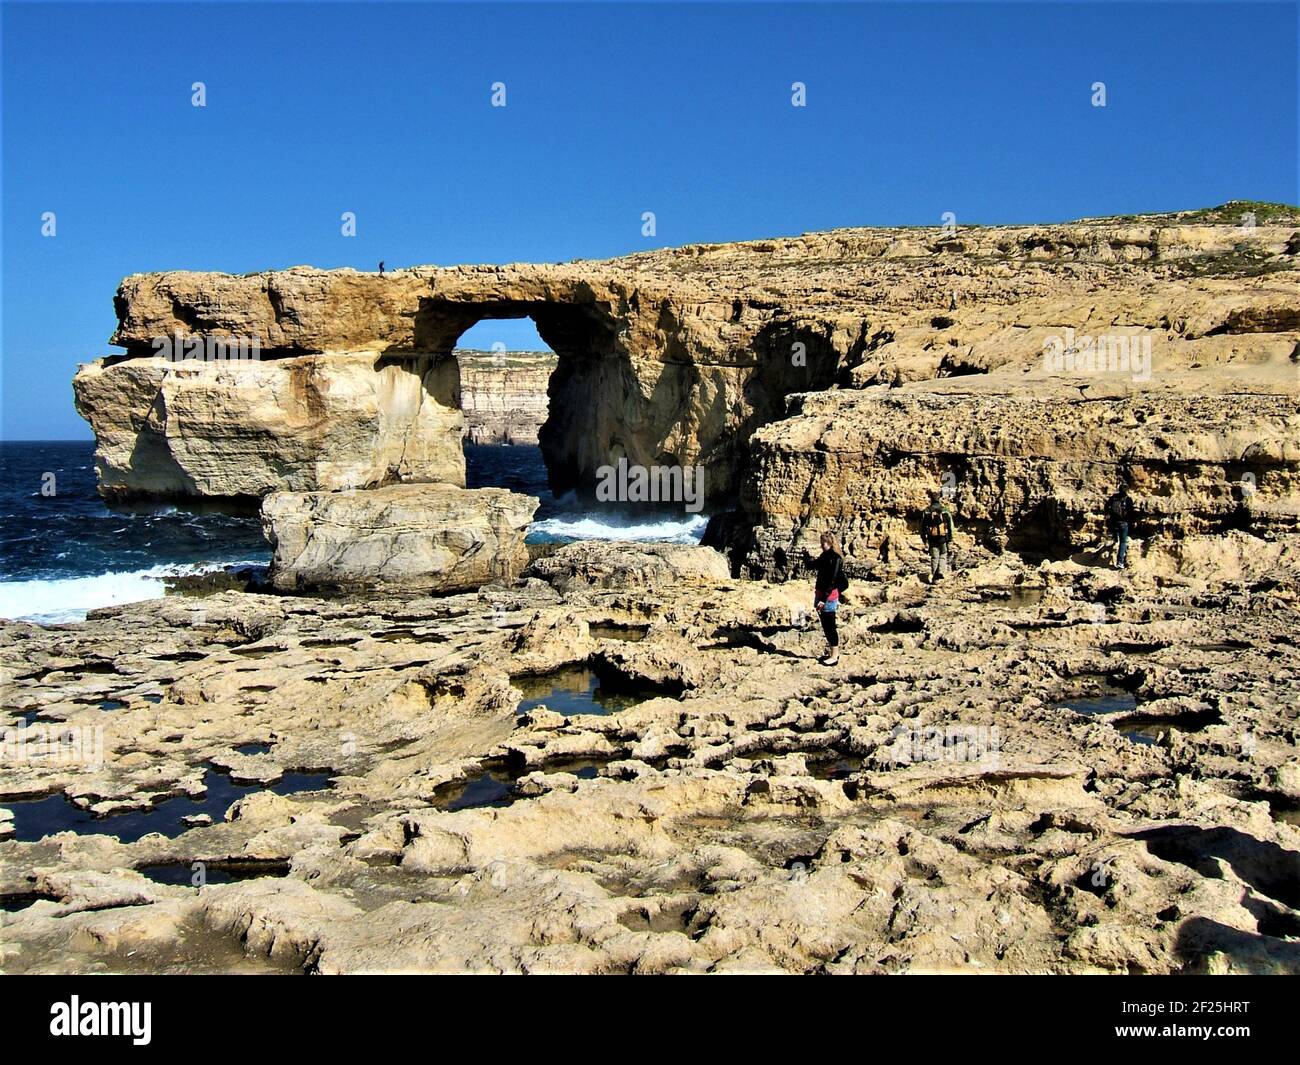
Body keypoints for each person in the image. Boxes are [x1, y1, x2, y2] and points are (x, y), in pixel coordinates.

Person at [812, 531, 849, 666]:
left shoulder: (836, 558)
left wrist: (824, 599)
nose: (822, 545)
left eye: (823, 543)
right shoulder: (825, 556)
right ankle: (832, 653)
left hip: (828, 596)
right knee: (826, 625)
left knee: (830, 626)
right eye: (821, 543)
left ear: (828, 543)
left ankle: (835, 655)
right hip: (821, 594)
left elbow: (832, 581)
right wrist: (805, 557)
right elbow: (814, 566)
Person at [920, 489, 955, 583]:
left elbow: (922, 527)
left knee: (934, 557)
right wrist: (950, 540)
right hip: (943, 538)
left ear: (931, 499)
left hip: (932, 538)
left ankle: (935, 578)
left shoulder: (927, 511)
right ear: (939, 498)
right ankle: (940, 572)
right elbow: (951, 526)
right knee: (943, 555)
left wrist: (924, 539)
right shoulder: (945, 510)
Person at [1104, 482, 1134, 569]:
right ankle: (1120, 562)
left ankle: (1114, 539)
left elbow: (1106, 507)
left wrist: (1109, 515)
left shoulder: (1113, 498)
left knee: (1116, 536)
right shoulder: (1127, 499)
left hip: (1114, 522)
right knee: (1123, 542)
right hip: (1123, 523)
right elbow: (1131, 512)